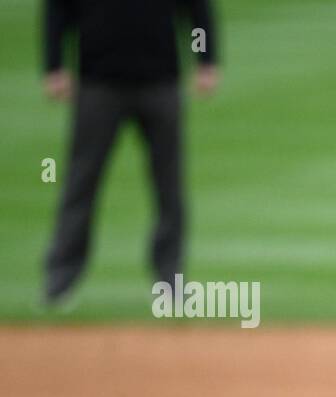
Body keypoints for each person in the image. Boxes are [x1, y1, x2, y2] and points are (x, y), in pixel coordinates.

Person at [42, 0, 221, 307]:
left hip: (160, 80)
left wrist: (205, 57)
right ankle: (60, 280)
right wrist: (54, 64)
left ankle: (171, 280)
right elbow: (58, 8)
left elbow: (197, 7)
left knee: (169, 185)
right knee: (81, 181)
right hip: (98, 81)